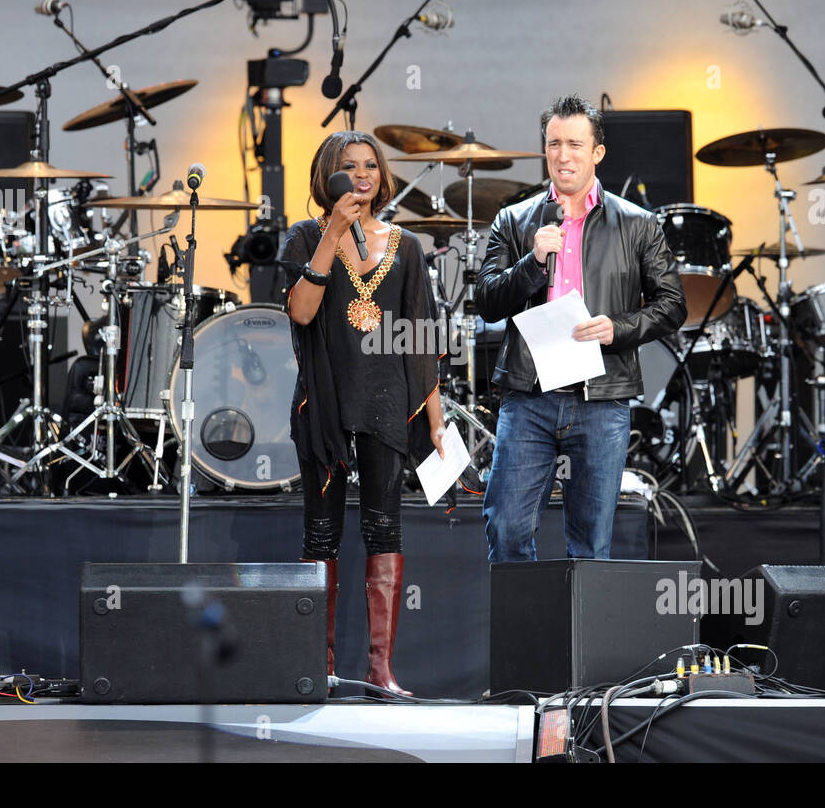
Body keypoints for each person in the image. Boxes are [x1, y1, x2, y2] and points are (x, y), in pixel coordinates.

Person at [477, 94, 687, 562]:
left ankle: (579, 637)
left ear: (597, 153)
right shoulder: (514, 221)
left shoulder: (637, 224)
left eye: (575, 143)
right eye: (554, 144)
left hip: (602, 397)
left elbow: (673, 305)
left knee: (591, 545)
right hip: (528, 397)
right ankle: (526, 635)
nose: (563, 155)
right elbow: (487, 302)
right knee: (507, 529)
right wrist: (532, 262)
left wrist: (619, 327)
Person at [279, 130, 445, 696]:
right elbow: (302, 313)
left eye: (370, 165)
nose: (363, 175)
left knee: (383, 529)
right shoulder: (303, 237)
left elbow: (421, 335)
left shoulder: (407, 245)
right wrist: (330, 232)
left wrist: (436, 414)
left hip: (386, 400)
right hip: (325, 401)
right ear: (329, 176)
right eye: (349, 166)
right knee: (321, 535)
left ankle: (381, 671)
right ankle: (318, 665)